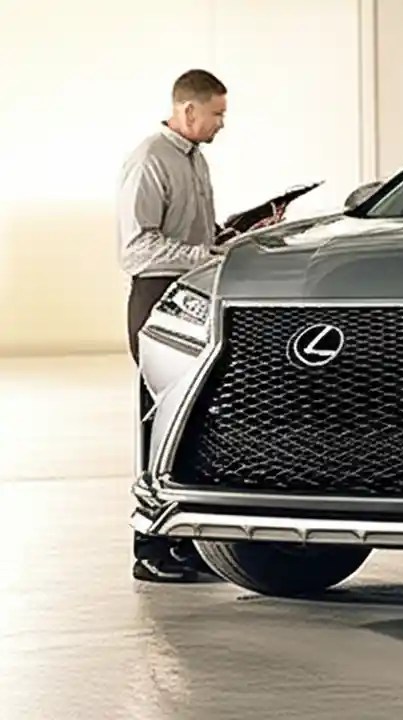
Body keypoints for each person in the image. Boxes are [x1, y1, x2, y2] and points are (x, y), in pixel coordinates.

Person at [117, 68, 228, 583]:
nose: (222, 124)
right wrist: (207, 253)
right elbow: (136, 247)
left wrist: (232, 235)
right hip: (155, 296)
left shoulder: (196, 159)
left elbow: (193, 233)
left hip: (191, 296)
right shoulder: (149, 160)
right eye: (217, 115)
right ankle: (151, 550)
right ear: (188, 111)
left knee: (193, 421)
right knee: (157, 423)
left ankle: (181, 542)